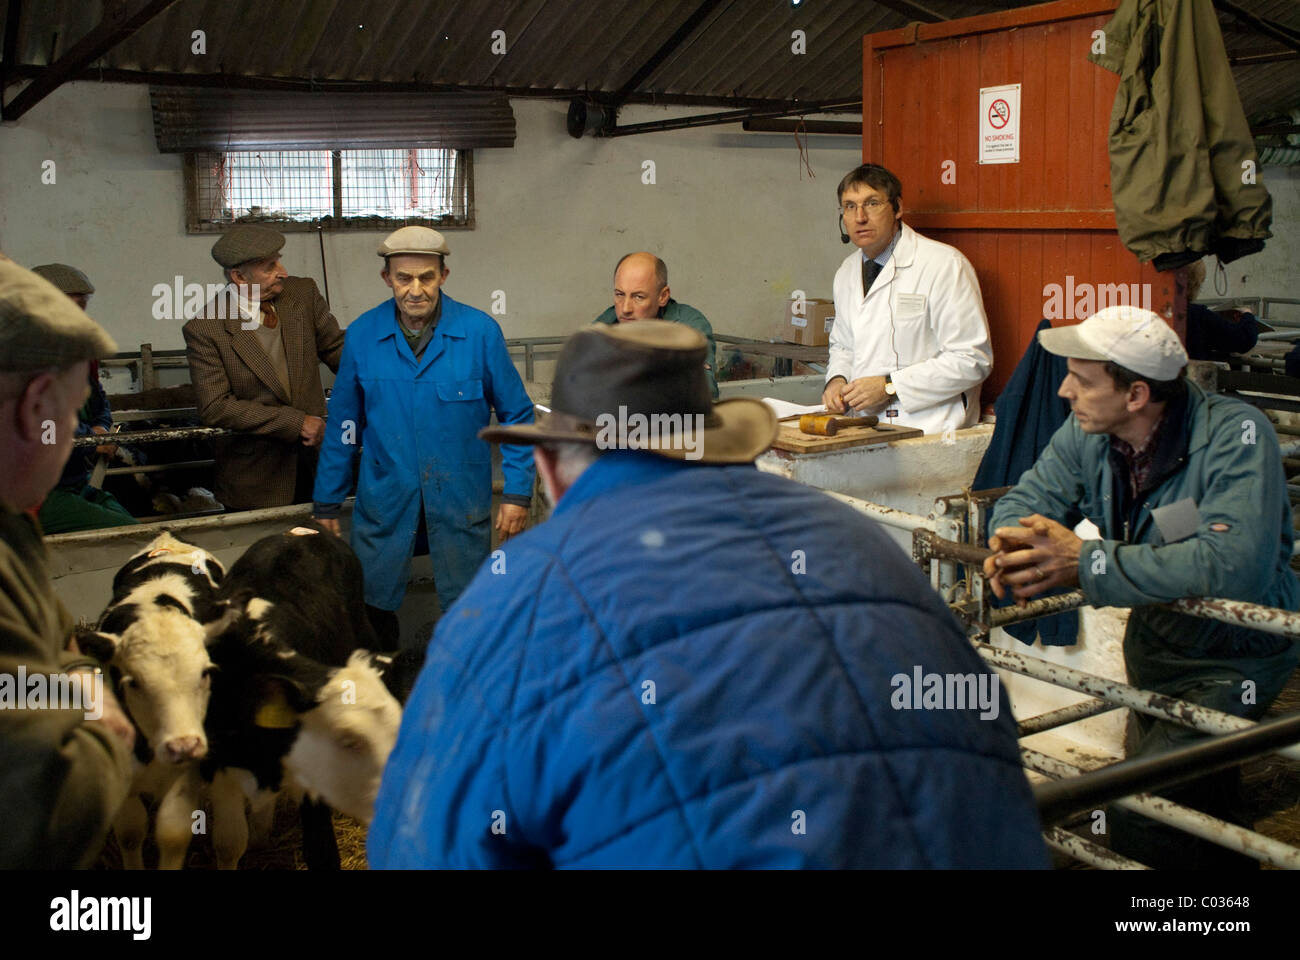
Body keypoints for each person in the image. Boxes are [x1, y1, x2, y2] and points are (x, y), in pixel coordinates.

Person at [368, 320, 1048, 869]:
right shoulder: (859, 539)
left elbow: (422, 844)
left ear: (548, 466)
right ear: (717, 443)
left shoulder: (515, 598)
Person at [982, 304, 1299, 869]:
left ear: (1134, 396)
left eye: (1081, 379)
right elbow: (1025, 499)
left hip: (1235, 655)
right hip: (1155, 642)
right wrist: (1016, 545)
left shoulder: (1235, 436)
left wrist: (1086, 564)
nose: (1064, 392)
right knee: (1202, 801)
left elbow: (1234, 568)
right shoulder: (1089, 434)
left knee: (1145, 807)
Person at [313, 227, 535, 646]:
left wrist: (517, 493)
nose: (416, 290)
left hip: (459, 501)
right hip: (386, 502)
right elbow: (344, 426)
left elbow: (517, 416)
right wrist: (326, 501)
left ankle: (462, 696)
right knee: (373, 611)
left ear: (444, 276)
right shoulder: (362, 335)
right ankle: (385, 696)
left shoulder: (479, 333)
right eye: (403, 278)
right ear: (387, 279)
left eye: (426, 278)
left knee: (468, 611)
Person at [0, 258, 136, 868]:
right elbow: (48, 803)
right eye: (71, 405)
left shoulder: (14, 529)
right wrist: (97, 709)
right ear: (36, 408)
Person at [183, 224, 345, 510]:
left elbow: (336, 349)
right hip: (256, 481)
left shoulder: (302, 294)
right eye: (270, 266)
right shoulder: (206, 328)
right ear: (239, 277)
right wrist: (295, 422)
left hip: (317, 466)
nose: (282, 271)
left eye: (279, 260)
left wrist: (386, 381)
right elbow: (215, 406)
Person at [822, 163, 992, 435]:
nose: (860, 216)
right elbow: (842, 345)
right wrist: (836, 380)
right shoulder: (846, 272)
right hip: (864, 425)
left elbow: (972, 359)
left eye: (872, 203)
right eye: (850, 206)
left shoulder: (944, 265)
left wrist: (890, 386)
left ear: (897, 208)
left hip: (932, 427)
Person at [27, 264, 137, 534]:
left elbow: (100, 401)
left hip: (75, 481)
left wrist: (102, 429)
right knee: (130, 537)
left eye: (82, 304)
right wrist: (91, 441)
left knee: (135, 529)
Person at [594, 252, 718, 398]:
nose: (625, 308)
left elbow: (704, 391)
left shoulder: (689, 327)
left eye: (638, 297)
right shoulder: (606, 324)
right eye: (620, 294)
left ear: (663, 296)